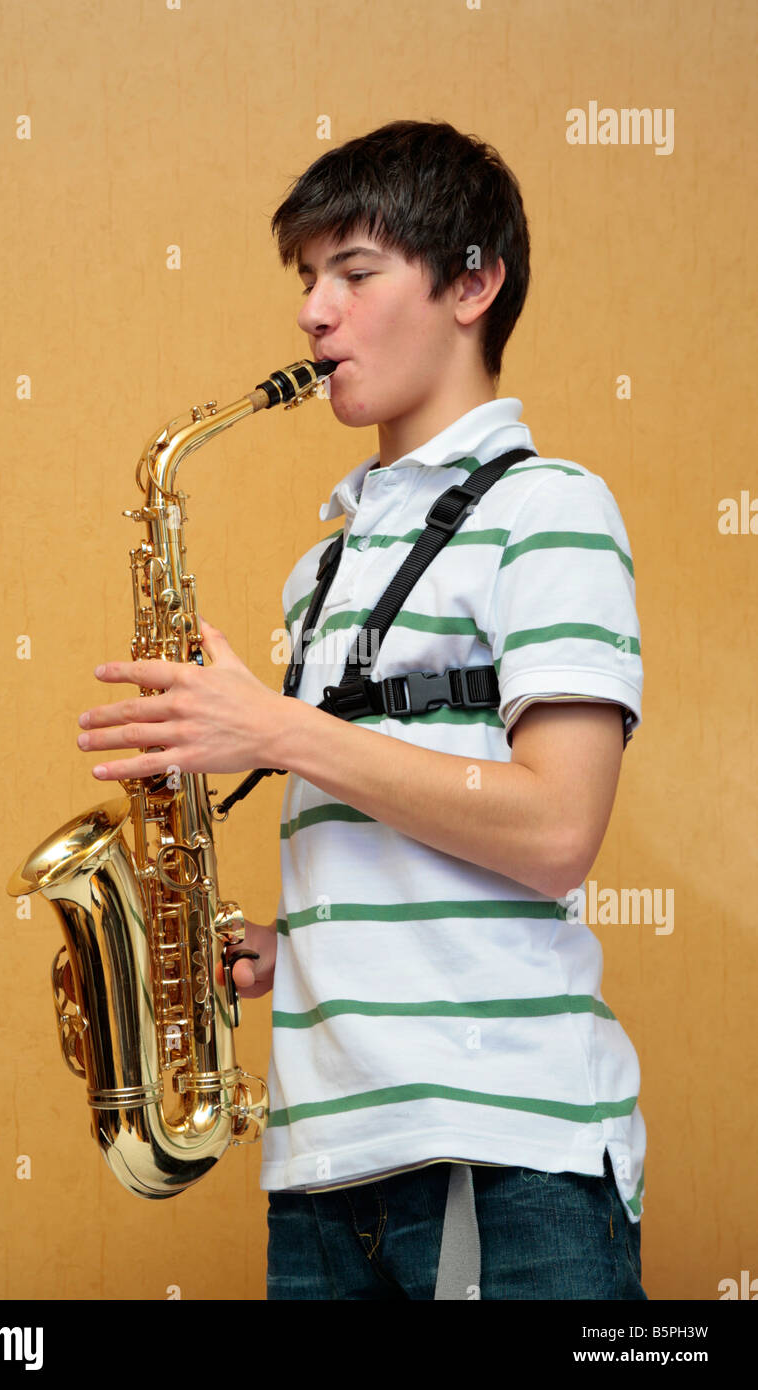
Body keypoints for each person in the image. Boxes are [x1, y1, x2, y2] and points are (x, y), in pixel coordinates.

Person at [76, 120, 647, 1301]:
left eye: (353, 272)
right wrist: (294, 948)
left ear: (471, 283)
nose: (312, 314)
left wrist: (274, 728)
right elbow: (416, 832)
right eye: (304, 280)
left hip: (499, 1157)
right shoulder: (321, 569)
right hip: (322, 1163)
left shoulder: (551, 509)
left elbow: (553, 831)